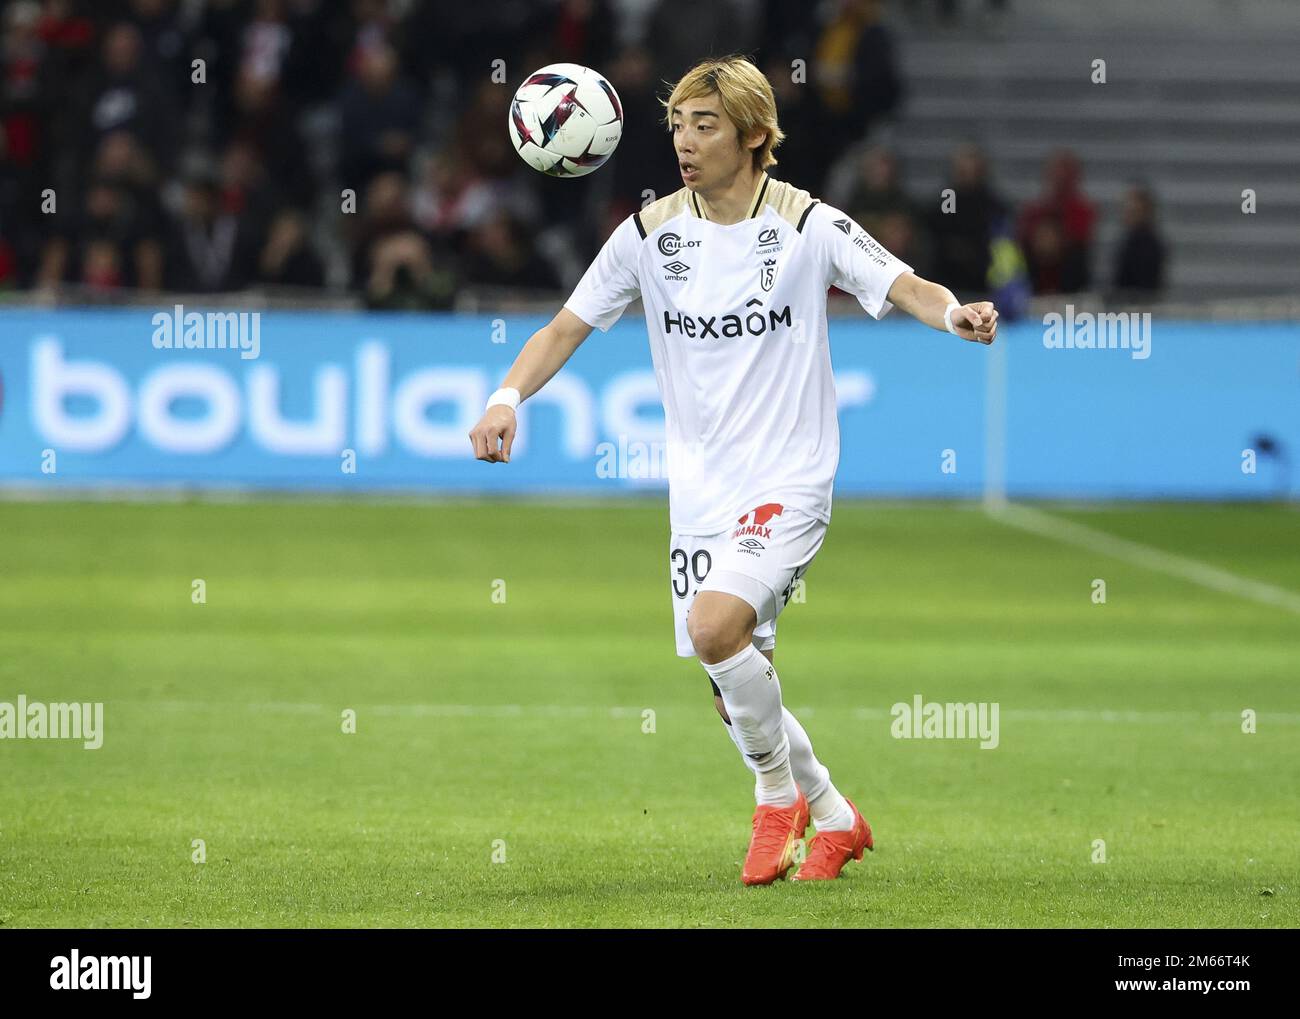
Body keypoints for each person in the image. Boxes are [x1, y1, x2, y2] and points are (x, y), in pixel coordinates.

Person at [468, 56, 997, 885]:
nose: (685, 140)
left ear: (754, 135)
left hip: (789, 476)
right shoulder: (649, 235)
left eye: (705, 125)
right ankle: (835, 817)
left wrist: (954, 313)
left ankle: (775, 797)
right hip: (701, 491)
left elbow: (903, 282)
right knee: (733, 683)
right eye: (677, 124)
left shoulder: (806, 223)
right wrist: (506, 397)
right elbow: (563, 328)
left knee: (719, 632)